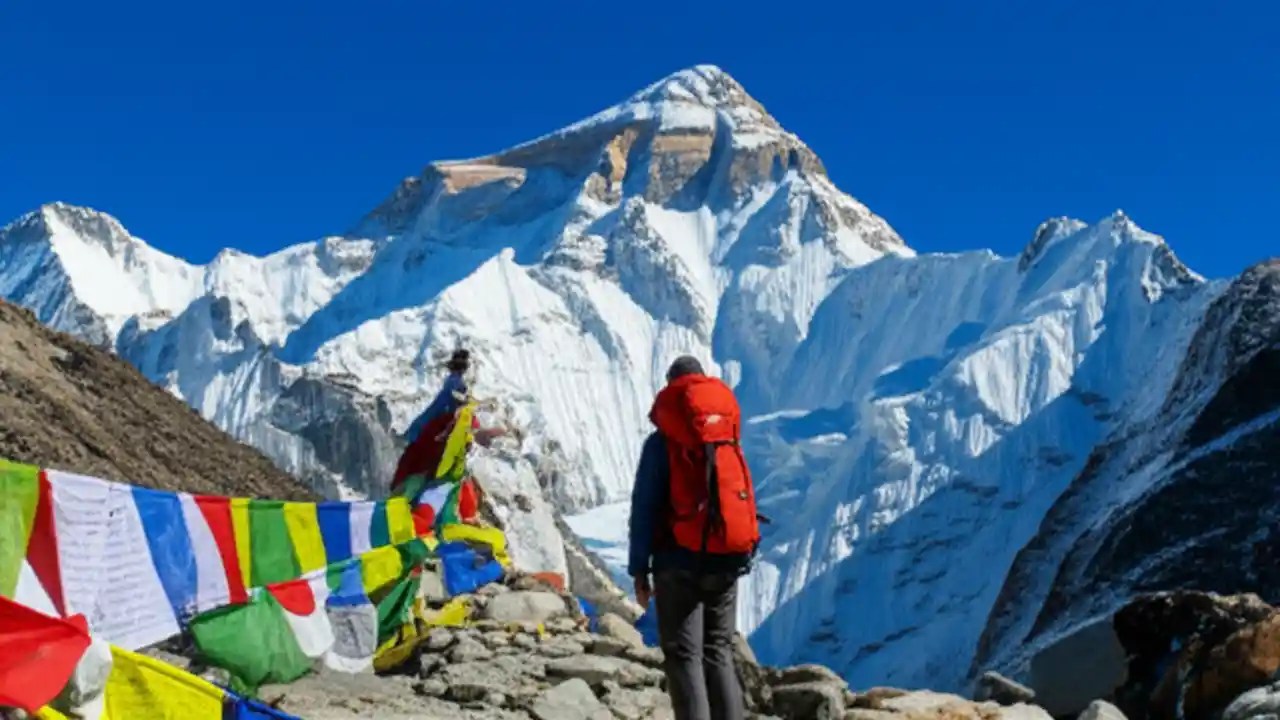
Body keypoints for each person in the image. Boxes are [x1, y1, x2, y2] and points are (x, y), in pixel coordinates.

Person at [629, 356, 760, 720]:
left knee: (684, 655)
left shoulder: (661, 443)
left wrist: (639, 570)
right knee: (718, 650)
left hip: (678, 561)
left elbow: (645, 507)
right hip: (726, 556)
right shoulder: (725, 437)